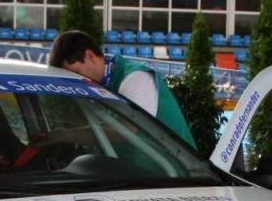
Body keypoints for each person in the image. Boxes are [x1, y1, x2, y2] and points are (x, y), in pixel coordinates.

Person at [47, 29, 196, 147]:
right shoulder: (104, 82)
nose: (76, 81)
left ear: (90, 56)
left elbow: (124, 130)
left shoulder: (135, 78)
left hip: (173, 178)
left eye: (76, 73)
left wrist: (68, 136)